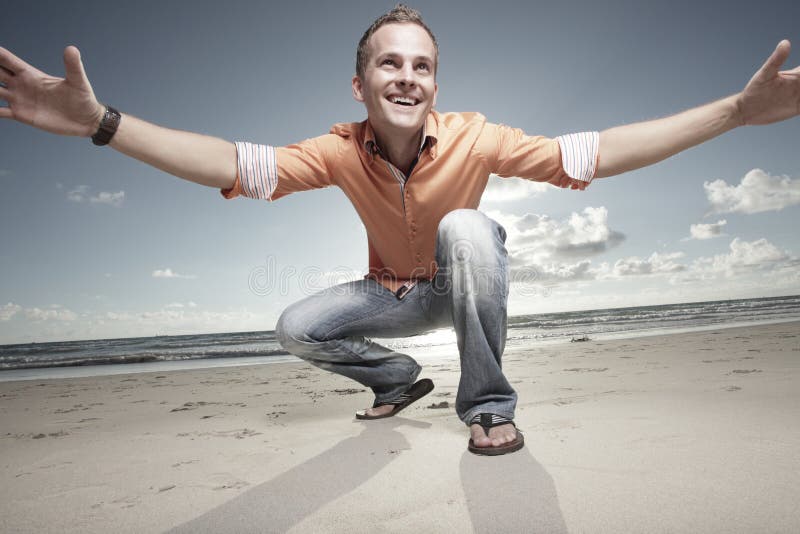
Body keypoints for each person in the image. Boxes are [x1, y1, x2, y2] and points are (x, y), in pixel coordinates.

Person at [1, 5, 798, 456]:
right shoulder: (337, 149)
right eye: (389, 63)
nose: (407, 76)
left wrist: (732, 111)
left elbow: (597, 151)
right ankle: (395, 379)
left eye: (421, 65)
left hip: (466, 275)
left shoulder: (480, 135)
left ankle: (487, 404)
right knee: (295, 326)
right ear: (362, 82)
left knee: (468, 226)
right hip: (396, 297)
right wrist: (104, 124)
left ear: (436, 84)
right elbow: (231, 164)